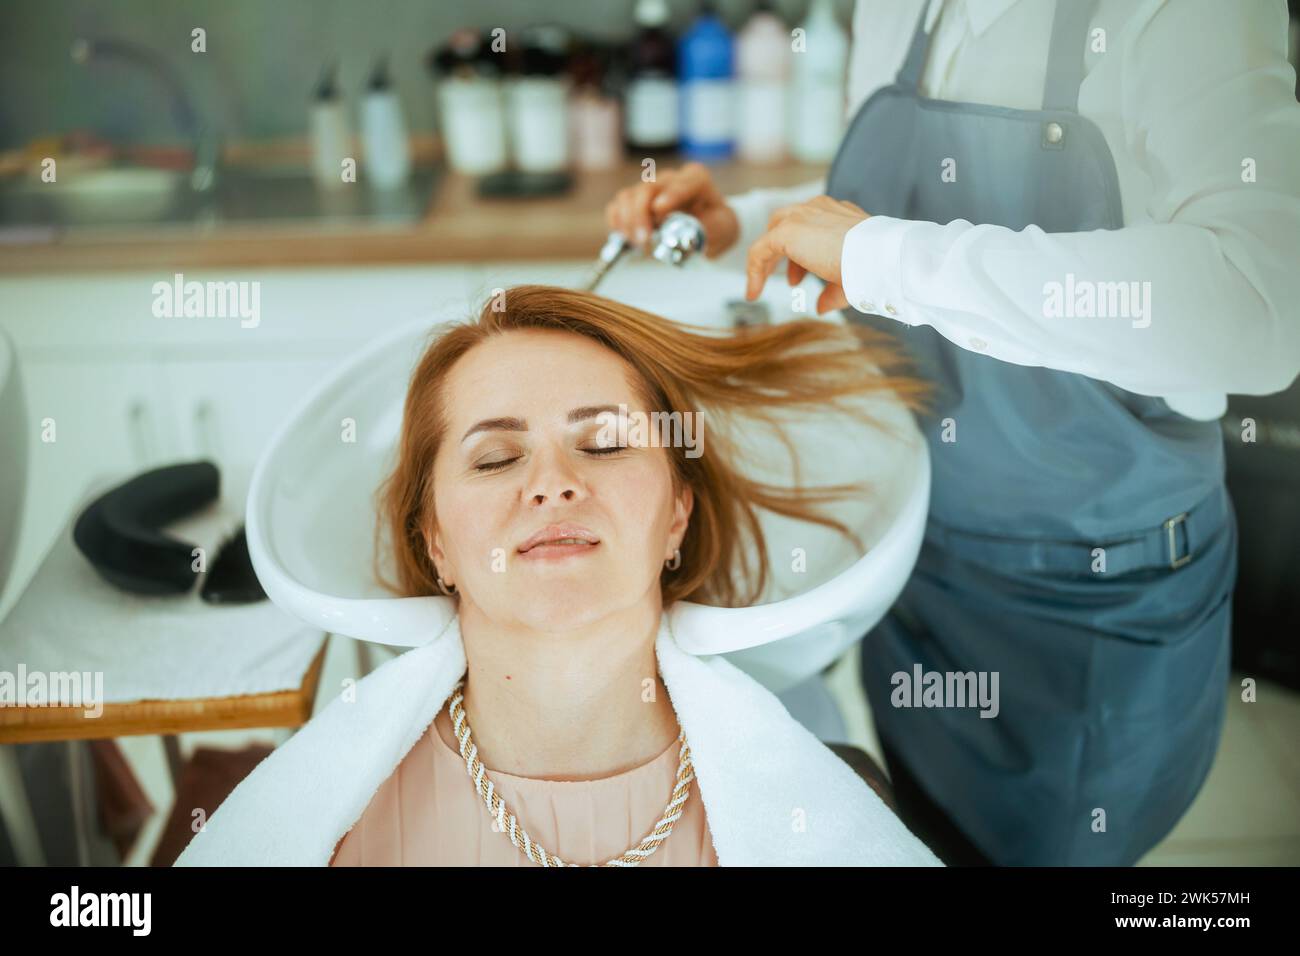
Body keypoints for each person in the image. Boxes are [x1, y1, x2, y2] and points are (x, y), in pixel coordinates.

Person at [607, 0, 1300, 865]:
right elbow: (911, 207)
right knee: (928, 834)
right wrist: (748, 223)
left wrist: (881, 258)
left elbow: (1260, 303)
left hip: (1091, 594)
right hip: (925, 559)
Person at [175, 285, 940, 867]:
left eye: (603, 445)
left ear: (677, 513)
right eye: (496, 458)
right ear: (435, 539)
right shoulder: (340, 828)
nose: (552, 483)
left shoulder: (794, 821)